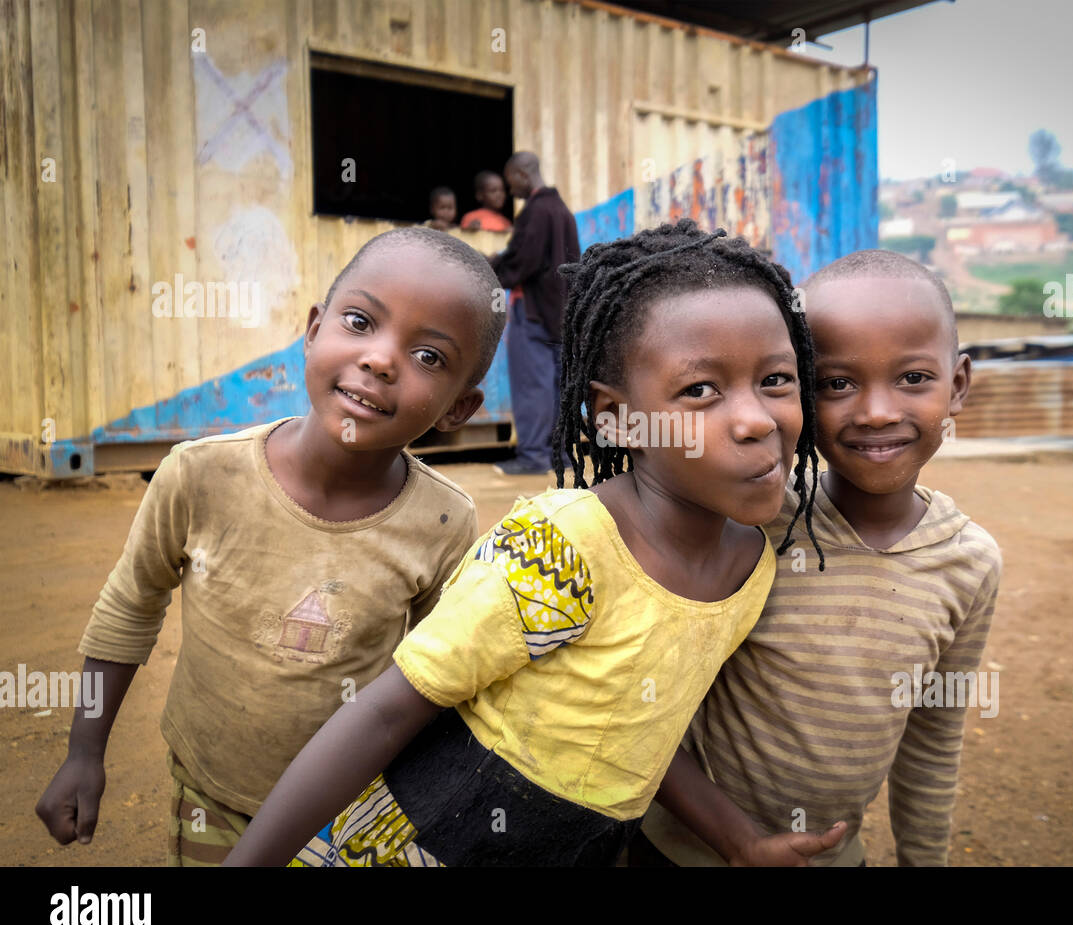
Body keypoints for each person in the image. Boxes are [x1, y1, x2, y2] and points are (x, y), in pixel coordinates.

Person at [223, 220, 824, 867]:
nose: (757, 421)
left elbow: (641, 729)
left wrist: (743, 842)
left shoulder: (753, 563)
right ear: (617, 418)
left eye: (776, 381)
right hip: (429, 837)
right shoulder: (560, 552)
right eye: (700, 390)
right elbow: (387, 712)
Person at [34, 228, 506, 865]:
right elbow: (130, 605)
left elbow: (429, 676)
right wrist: (84, 752)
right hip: (212, 795)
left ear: (459, 408)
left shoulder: (445, 520)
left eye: (429, 358)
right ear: (313, 330)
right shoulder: (200, 475)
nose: (382, 360)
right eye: (361, 321)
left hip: (351, 811)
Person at [635, 249, 1003, 867]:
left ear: (958, 384)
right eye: (837, 383)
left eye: (913, 378)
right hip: (682, 850)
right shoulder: (752, 524)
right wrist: (736, 842)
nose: (878, 411)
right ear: (799, 391)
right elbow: (649, 698)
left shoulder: (970, 563)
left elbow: (934, 737)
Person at [488, 151, 580, 476]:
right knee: (555, 385)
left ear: (522, 174)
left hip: (534, 313)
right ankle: (560, 456)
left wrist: (490, 266)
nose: (510, 189)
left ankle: (533, 457)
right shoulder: (563, 212)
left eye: (510, 181)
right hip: (561, 315)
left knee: (532, 385)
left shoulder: (536, 212)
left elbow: (522, 260)